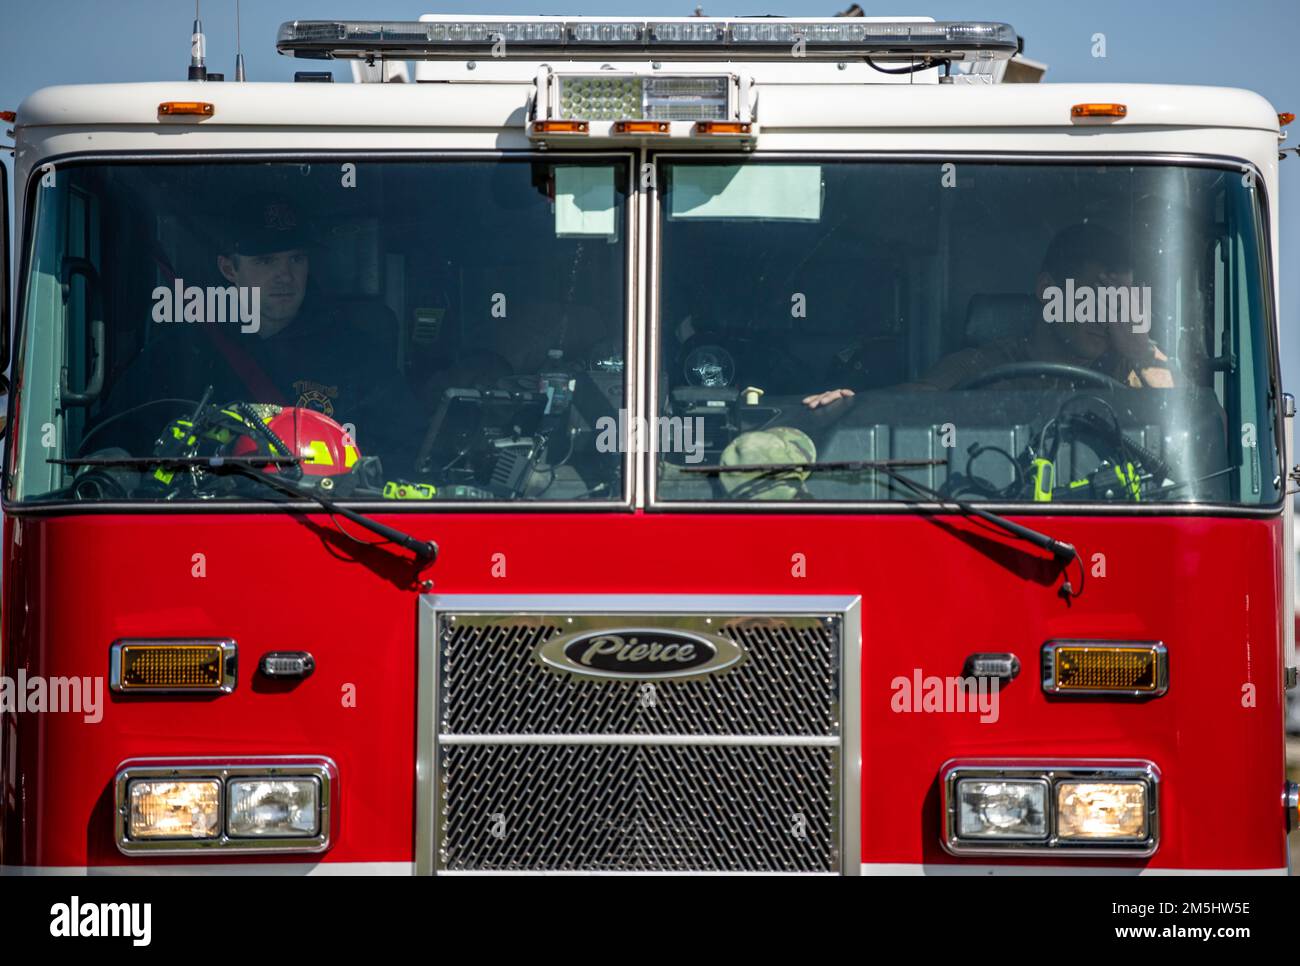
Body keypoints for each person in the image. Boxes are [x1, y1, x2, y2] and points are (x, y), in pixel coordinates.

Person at [106, 195, 420, 473]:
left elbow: (404, 455)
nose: (285, 275)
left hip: (325, 524)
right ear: (230, 270)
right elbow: (113, 448)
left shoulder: (357, 357)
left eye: (296, 258)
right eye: (266, 261)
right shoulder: (181, 355)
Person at [802, 223, 1175, 408]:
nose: (1107, 313)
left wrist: (1141, 354)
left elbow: (1204, 442)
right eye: (1093, 293)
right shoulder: (983, 365)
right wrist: (855, 406)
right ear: (1048, 290)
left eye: (1118, 299)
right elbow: (920, 398)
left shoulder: (1135, 373)